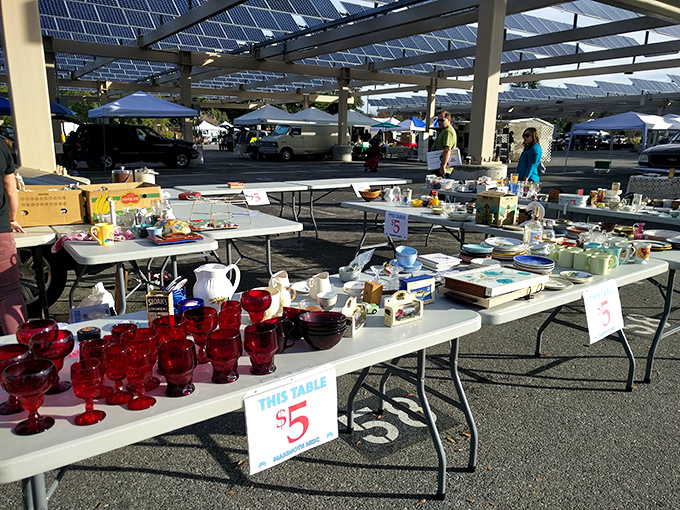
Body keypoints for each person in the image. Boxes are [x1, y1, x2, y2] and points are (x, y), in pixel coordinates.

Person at [0, 138, 26, 334]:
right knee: (8, 293)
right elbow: (11, 189)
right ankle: (18, 353)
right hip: (0, 229)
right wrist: (12, 217)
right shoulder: (1, 145)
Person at [430, 111, 457, 177]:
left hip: (442, 168)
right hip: (437, 166)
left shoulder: (448, 131)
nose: (439, 122)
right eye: (438, 120)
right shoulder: (444, 130)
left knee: (439, 186)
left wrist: (443, 166)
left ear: (449, 120)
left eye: (442, 120)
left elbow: (447, 149)